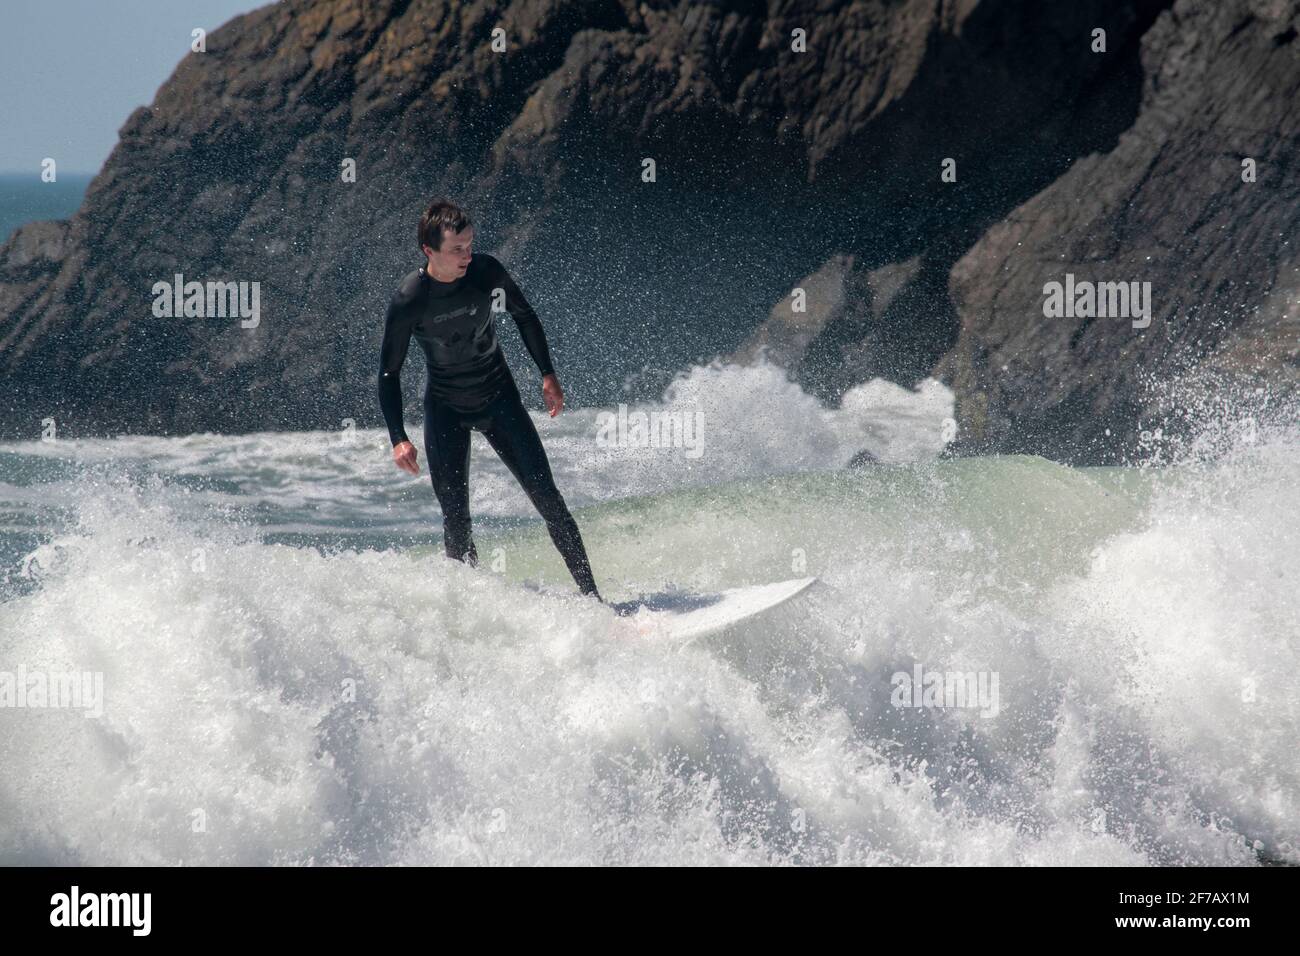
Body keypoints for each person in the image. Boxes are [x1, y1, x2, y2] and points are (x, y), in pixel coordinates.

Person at [378, 199, 602, 600]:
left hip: (499, 399)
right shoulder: (410, 299)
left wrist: (547, 374)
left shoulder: (485, 271)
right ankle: (473, 608)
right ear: (429, 251)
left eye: (469, 245)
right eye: (457, 249)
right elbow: (389, 373)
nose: (467, 255)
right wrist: (398, 437)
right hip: (446, 408)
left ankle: (594, 599)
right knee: (456, 520)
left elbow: (525, 315)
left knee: (549, 499)